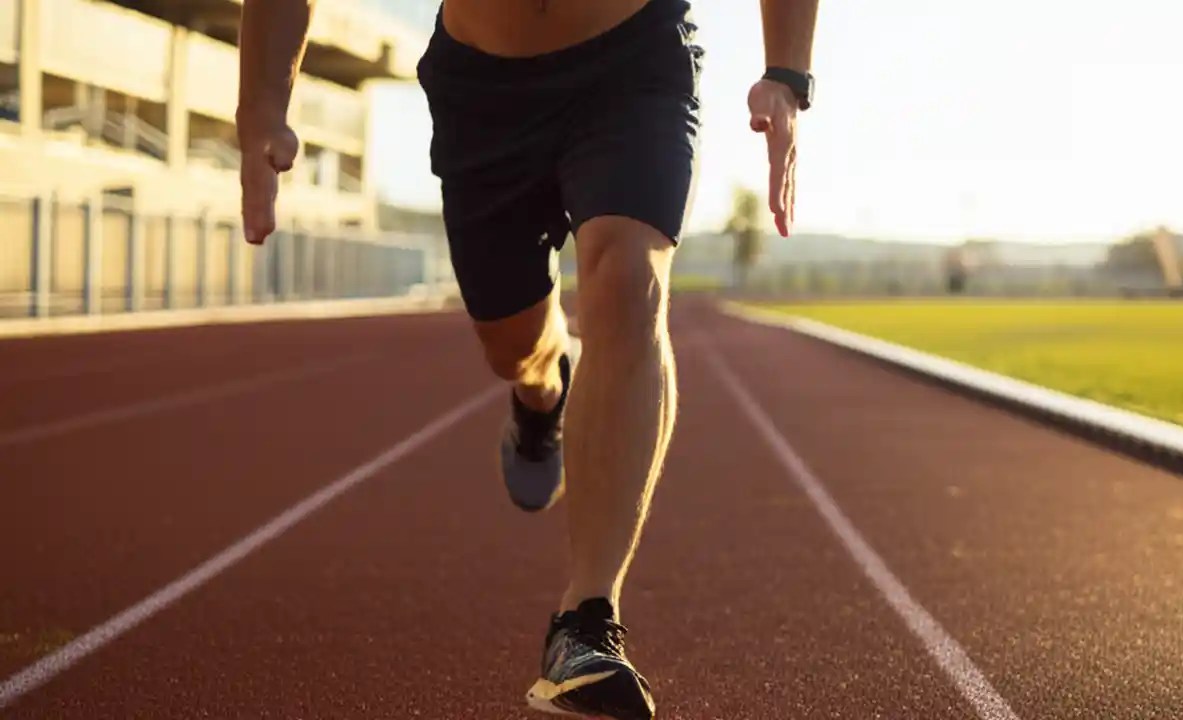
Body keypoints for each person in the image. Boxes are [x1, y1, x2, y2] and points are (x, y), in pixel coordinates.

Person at [236, 0, 817, 717]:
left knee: (629, 285)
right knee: (512, 347)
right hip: (484, 90)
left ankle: (587, 622)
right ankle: (546, 388)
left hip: (633, 63)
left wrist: (787, 73)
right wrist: (263, 104)